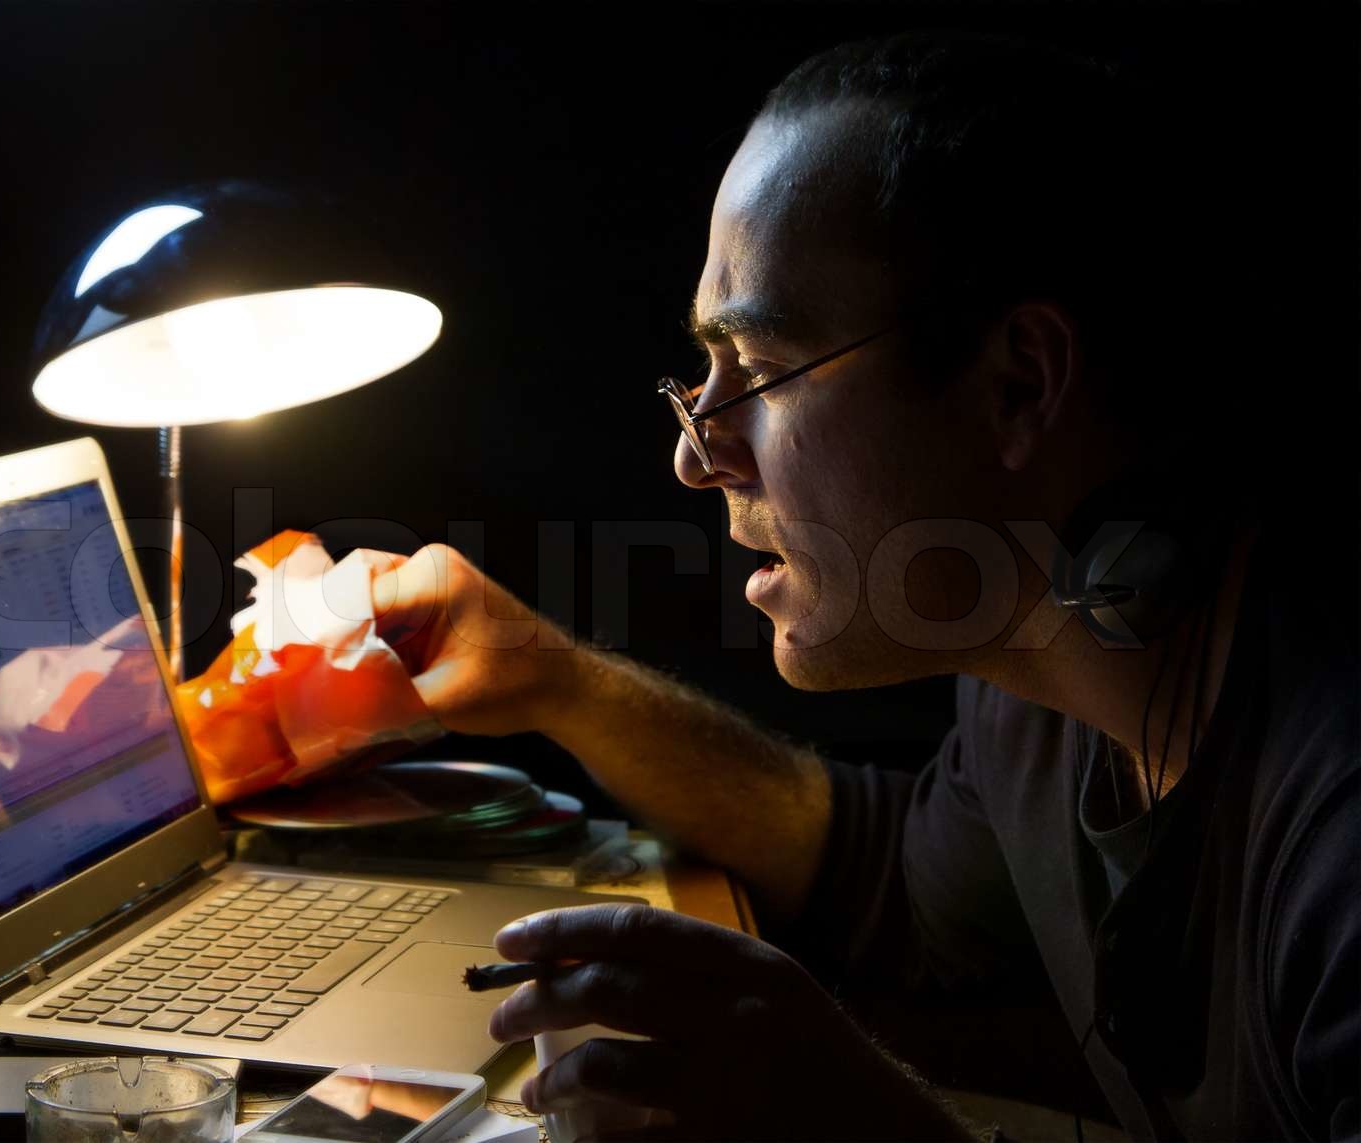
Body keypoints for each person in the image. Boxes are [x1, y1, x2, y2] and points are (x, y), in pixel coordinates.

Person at [364, 31, 1358, 1142]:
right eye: (703, 378)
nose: (697, 454)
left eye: (760, 370)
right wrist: (551, 678)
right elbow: (889, 885)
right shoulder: (1050, 670)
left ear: (1018, 385)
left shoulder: (1333, 832)